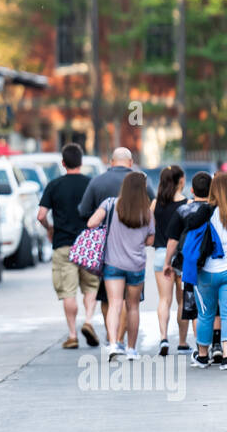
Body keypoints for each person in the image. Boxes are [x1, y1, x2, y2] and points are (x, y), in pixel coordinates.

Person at [37, 143, 100, 349]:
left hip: (64, 244)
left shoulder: (54, 185)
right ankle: (89, 321)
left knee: (69, 292)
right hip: (88, 244)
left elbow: (41, 215)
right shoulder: (92, 185)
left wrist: (50, 228)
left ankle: (72, 334)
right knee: (91, 287)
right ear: (81, 162)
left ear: (63, 163)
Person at [85, 171, 154, 361]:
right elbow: (150, 240)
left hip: (112, 263)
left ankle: (114, 343)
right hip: (136, 265)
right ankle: (132, 349)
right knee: (132, 307)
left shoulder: (109, 204)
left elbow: (91, 223)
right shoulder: (146, 211)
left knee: (114, 304)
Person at [194, 172, 227, 370]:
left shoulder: (206, 212)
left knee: (206, 315)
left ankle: (202, 356)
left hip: (207, 272)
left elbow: (191, 228)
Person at [163, 171, 213, 357]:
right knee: (212, 307)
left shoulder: (183, 211)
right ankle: (214, 345)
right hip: (215, 264)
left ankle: (201, 348)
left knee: (192, 305)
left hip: (191, 265)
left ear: (192, 190)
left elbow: (173, 240)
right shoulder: (217, 210)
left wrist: (168, 262)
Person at [150, 165, 185, 356]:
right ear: (180, 181)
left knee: (164, 300)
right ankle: (182, 342)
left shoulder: (155, 204)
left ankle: (163, 337)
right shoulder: (186, 204)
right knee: (181, 302)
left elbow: (150, 229)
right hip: (180, 257)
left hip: (160, 254)